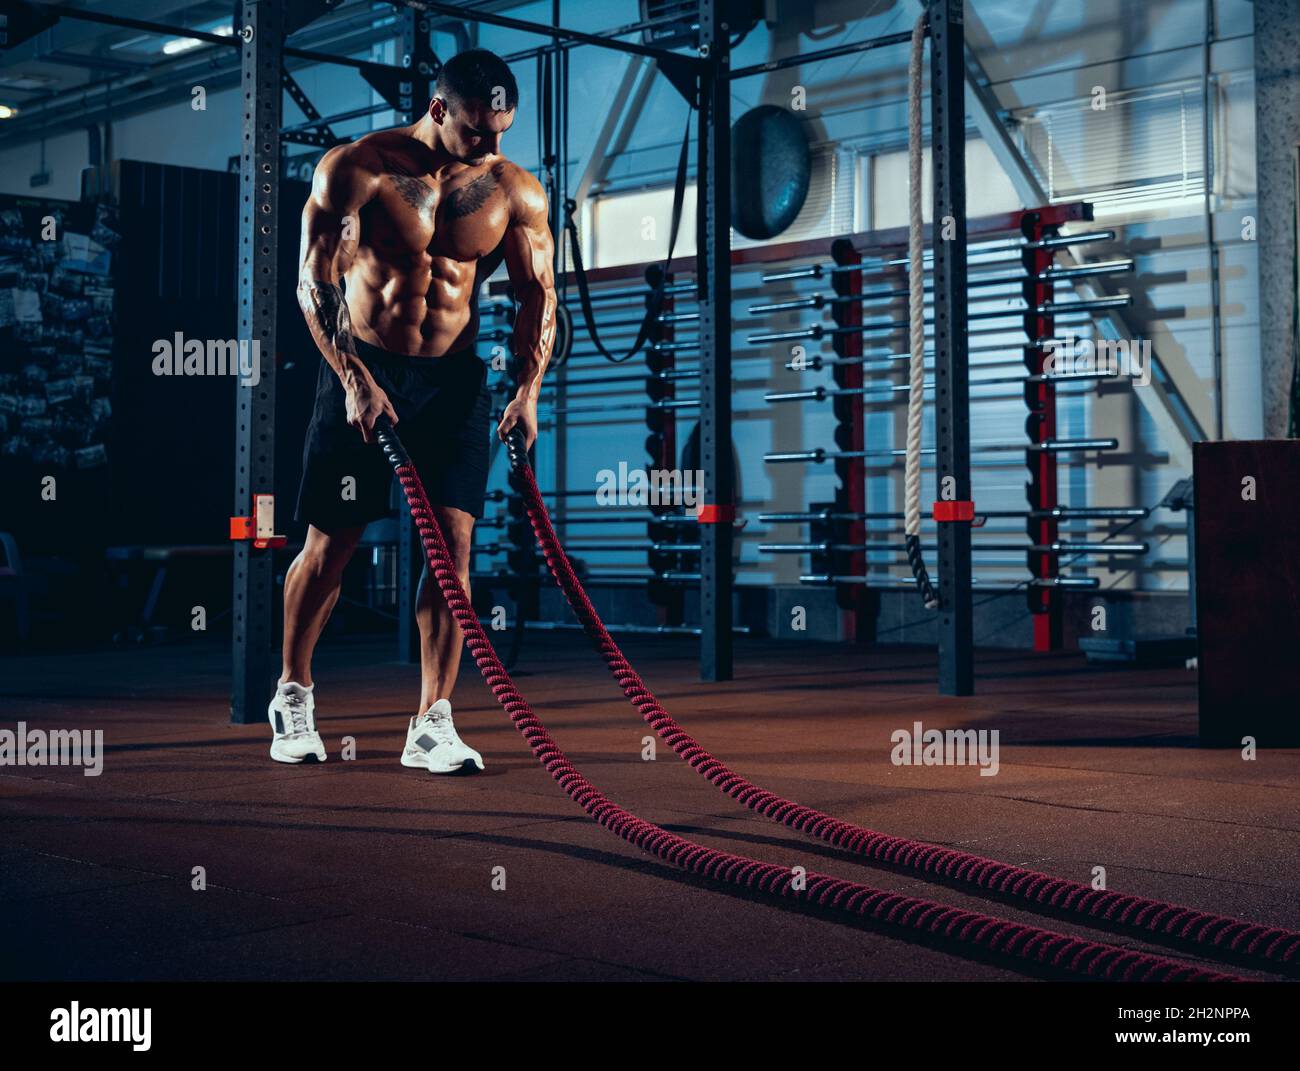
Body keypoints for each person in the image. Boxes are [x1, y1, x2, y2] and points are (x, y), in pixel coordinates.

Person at [267, 48, 556, 771]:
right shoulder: (358, 168)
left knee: (452, 549)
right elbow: (314, 284)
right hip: (362, 368)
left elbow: (538, 298)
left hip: (453, 380)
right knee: (331, 547)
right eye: (475, 131)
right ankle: (293, 692)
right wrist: (352, 378)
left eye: (501, 132)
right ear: (437, 111)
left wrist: (527, 393)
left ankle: (432, 718)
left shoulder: (512, 191)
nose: (490, 146)